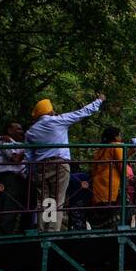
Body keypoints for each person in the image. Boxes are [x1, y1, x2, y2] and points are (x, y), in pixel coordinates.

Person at [25, 94, 106, 232]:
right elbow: (82, 113)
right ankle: (52, 232)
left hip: (41, 167)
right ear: (50, 111)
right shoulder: (57, 121)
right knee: (57, 199)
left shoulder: (31, 131)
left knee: (43, 200)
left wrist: (30, 172)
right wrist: (99, 101)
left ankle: (42, 229)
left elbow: (29, 155)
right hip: (59, 165)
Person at [0, 122, 28, 234]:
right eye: (18, 129)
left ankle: (11, 233)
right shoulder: (5, 141)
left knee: (14, 208)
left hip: (17, 179)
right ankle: (3, 237)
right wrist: (26, 148)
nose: (21, 131)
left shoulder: (16, 143)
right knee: (8, 208)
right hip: (9, 178)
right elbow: (15, 159)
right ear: (9, 130)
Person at [89, 126, 125, 228]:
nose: (121, 137)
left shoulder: (101, 149)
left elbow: (94, 168)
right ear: (115, 136)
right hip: (110, 185)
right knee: (112, 213)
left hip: (98, 186)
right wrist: (126, 177)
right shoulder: (117, 146)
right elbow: (121, 165)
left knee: (101, 213)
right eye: (119, 134)